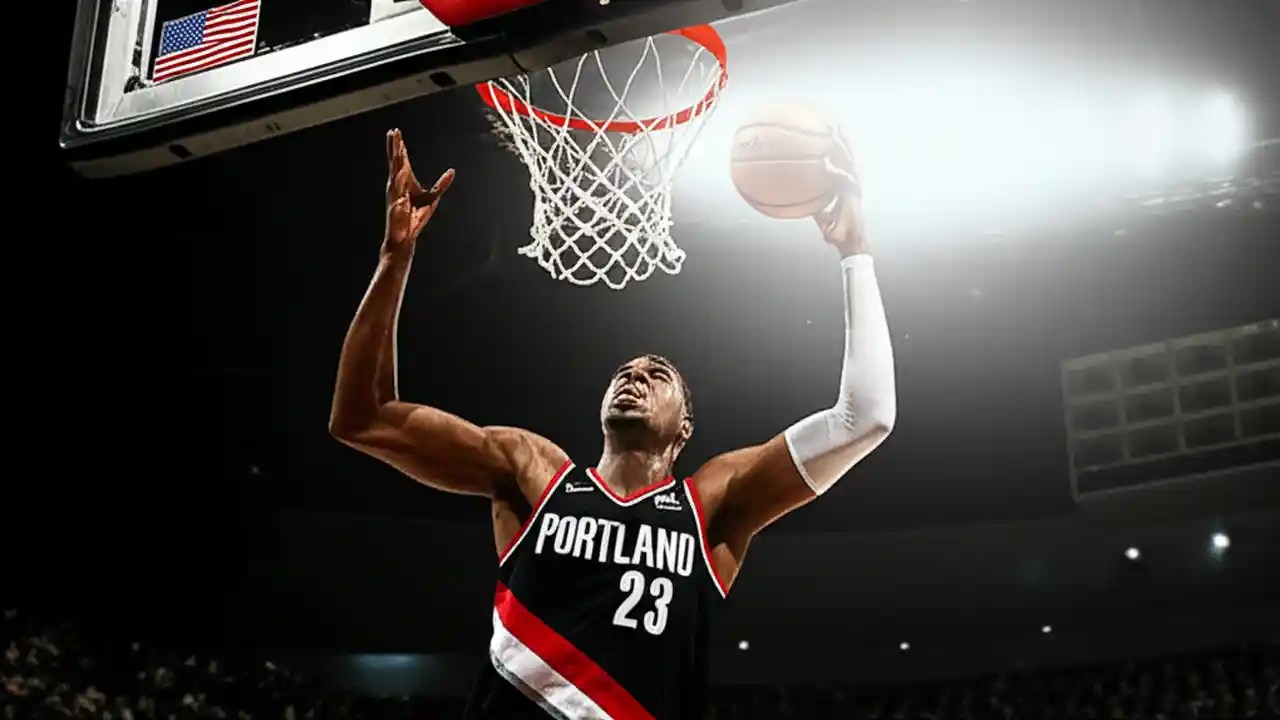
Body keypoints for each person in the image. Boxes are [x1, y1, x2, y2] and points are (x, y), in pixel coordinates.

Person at [329, 128, 897, 720]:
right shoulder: (533, 471)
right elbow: (362, 417)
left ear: (685, 427)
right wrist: (395, 259)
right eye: (625, 370)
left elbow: (867, 417)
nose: (635, 376)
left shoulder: (713, 503)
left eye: (658, 374)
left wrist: (855, 251)